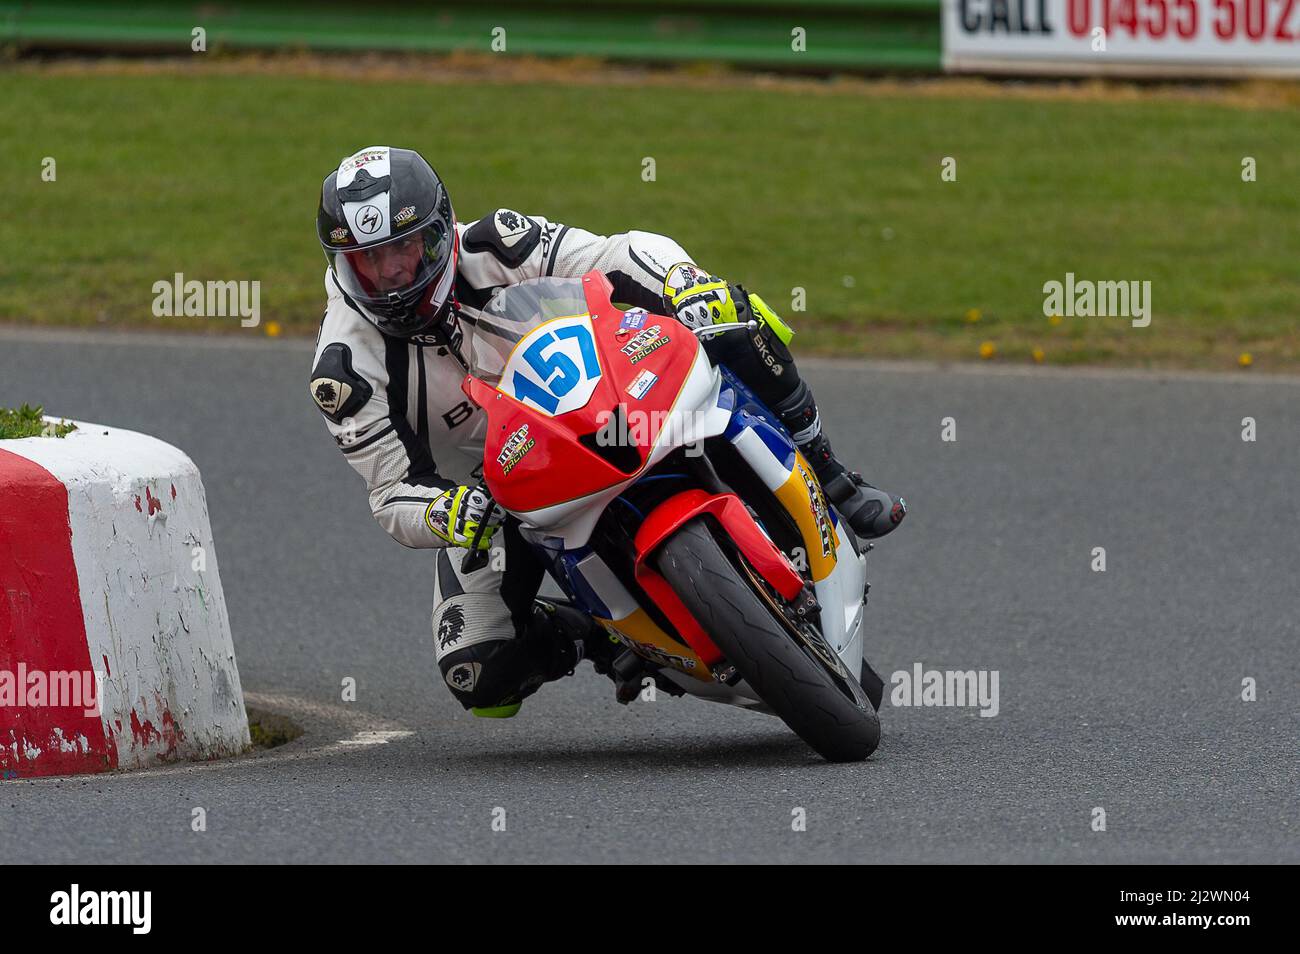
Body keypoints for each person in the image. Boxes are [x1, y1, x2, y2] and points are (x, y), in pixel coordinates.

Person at [309, 145, 906, 716]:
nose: (391, 273)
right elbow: (391, 493)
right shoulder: (345, 369)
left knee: (733, 315)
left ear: (440, 231)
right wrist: (449, 512)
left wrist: (683, 281)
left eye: (406, 247)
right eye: (369, 260)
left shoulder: (496, 243)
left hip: (602, 396)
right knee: (479, 672)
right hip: (500, 493)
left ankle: (833, 475)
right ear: (342, 263)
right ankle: (600, 636)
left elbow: (615, 255)